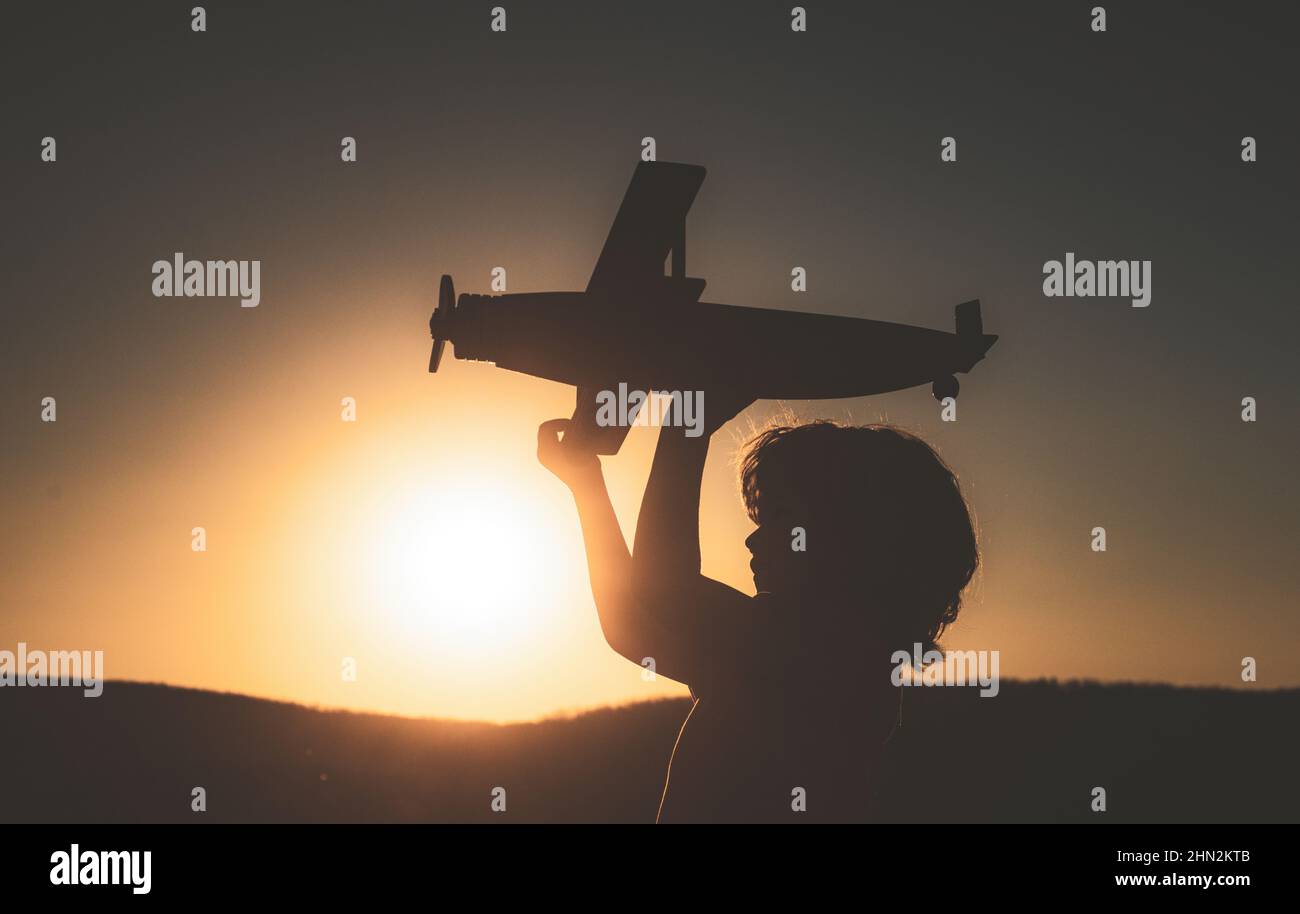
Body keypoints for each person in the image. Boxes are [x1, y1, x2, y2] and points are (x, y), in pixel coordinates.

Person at [537, 393, 978, 822]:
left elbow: (663, 592)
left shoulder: (826, 650)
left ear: (853, 536)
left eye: (781, 518)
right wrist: (586, 482)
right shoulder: (817, 651)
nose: (753, 539)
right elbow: (636, 626)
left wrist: (687, 429)